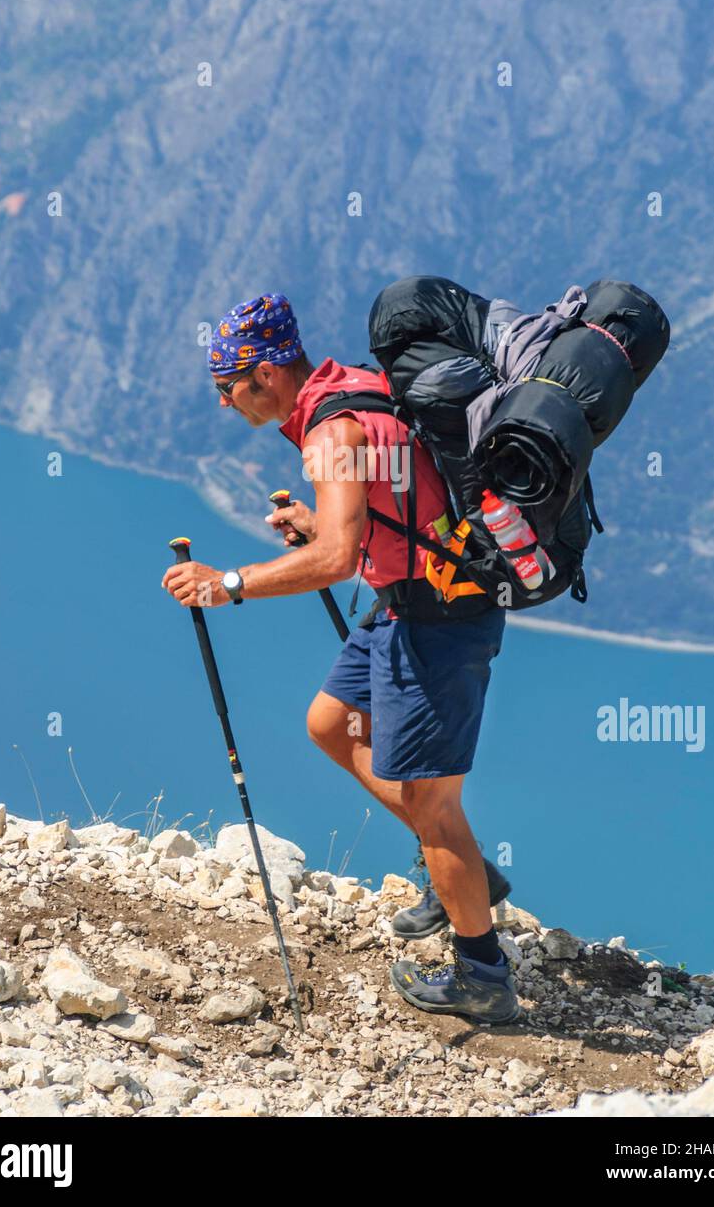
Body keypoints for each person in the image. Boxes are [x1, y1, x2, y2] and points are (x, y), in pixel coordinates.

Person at [162, 292, 518, 1023]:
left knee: (429, 799)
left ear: (263, 375)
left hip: (440, 616)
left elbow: (334, 557)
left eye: (228, 390)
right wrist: (322, 516)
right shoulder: (355, 387)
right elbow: (390, 501)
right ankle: (467, 872)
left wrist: (227, 584)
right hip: (406, 597)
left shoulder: (331, 430)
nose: (227, 407)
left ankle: (483, 972)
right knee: (330, 724)